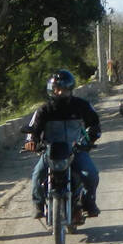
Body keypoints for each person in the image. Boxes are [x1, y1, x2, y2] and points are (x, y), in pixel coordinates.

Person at [22, 69, 101, 219]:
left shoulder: (81, 105)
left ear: (70, 89)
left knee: (91, 174)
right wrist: (31, 141)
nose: (60, 93)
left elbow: (94, 124)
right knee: (37, 175)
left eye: (64, 89)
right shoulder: (44, 110)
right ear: (51, 90)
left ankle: (88, 202)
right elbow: (33, 129)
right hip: (50, 151)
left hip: (75, 149)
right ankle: (38, 204)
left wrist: (91, 138)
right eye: (57, 89)